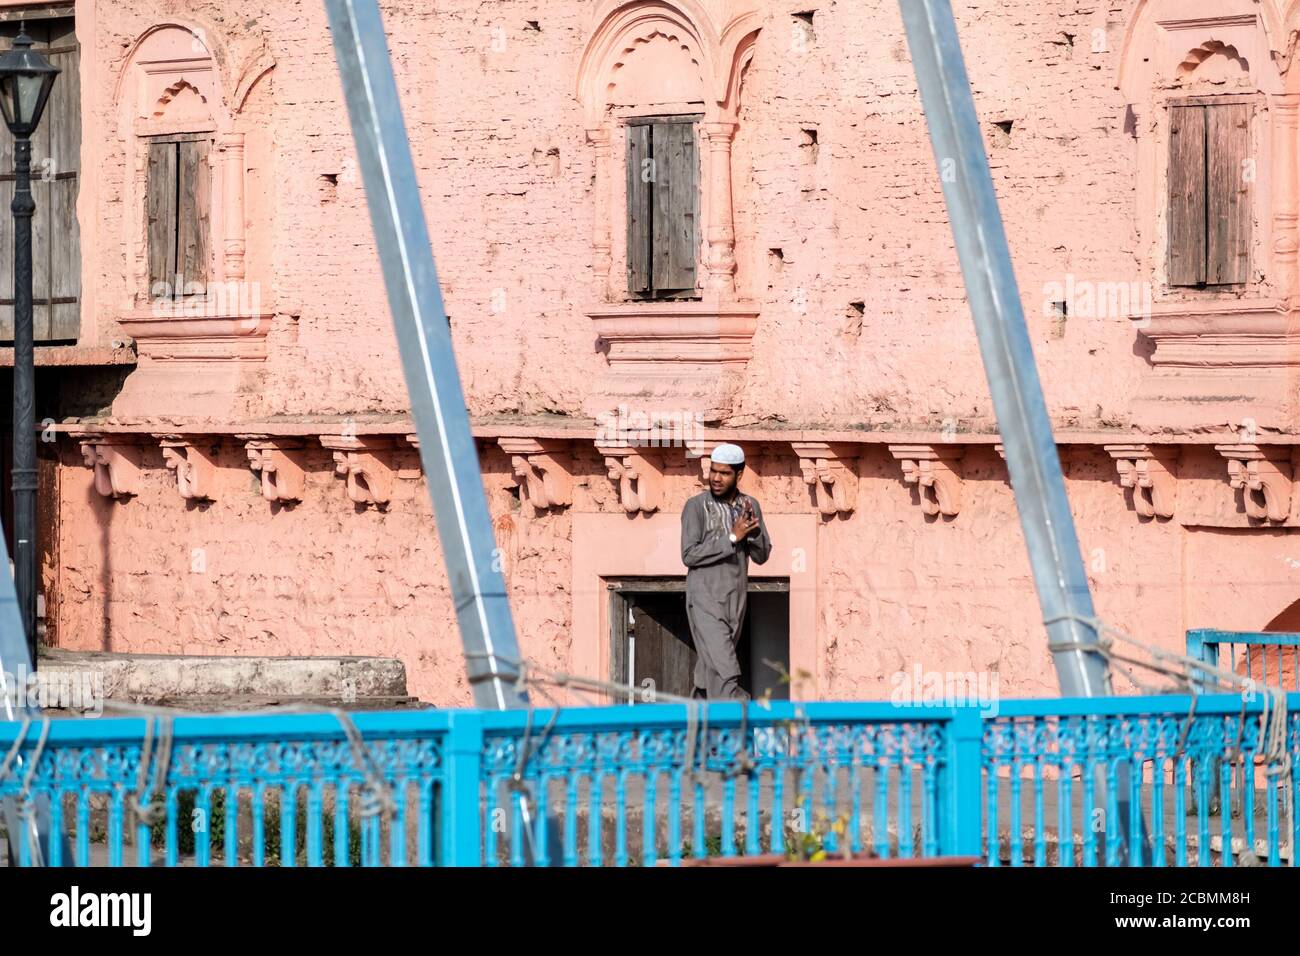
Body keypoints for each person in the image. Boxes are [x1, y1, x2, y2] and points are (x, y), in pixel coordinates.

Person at [680, 443, 772, 700]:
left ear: (739, 475)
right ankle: (736, 721)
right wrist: (732, 536)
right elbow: (688, 555)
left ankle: (696, 728)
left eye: (724, 473)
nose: (716, 479)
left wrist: (753, 535)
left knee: (710, 671)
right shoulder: (696, 506)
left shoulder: (749, 504)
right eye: (713, 472)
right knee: (726, 669)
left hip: (735, 601)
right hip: (705, 600)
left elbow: (762, 556)